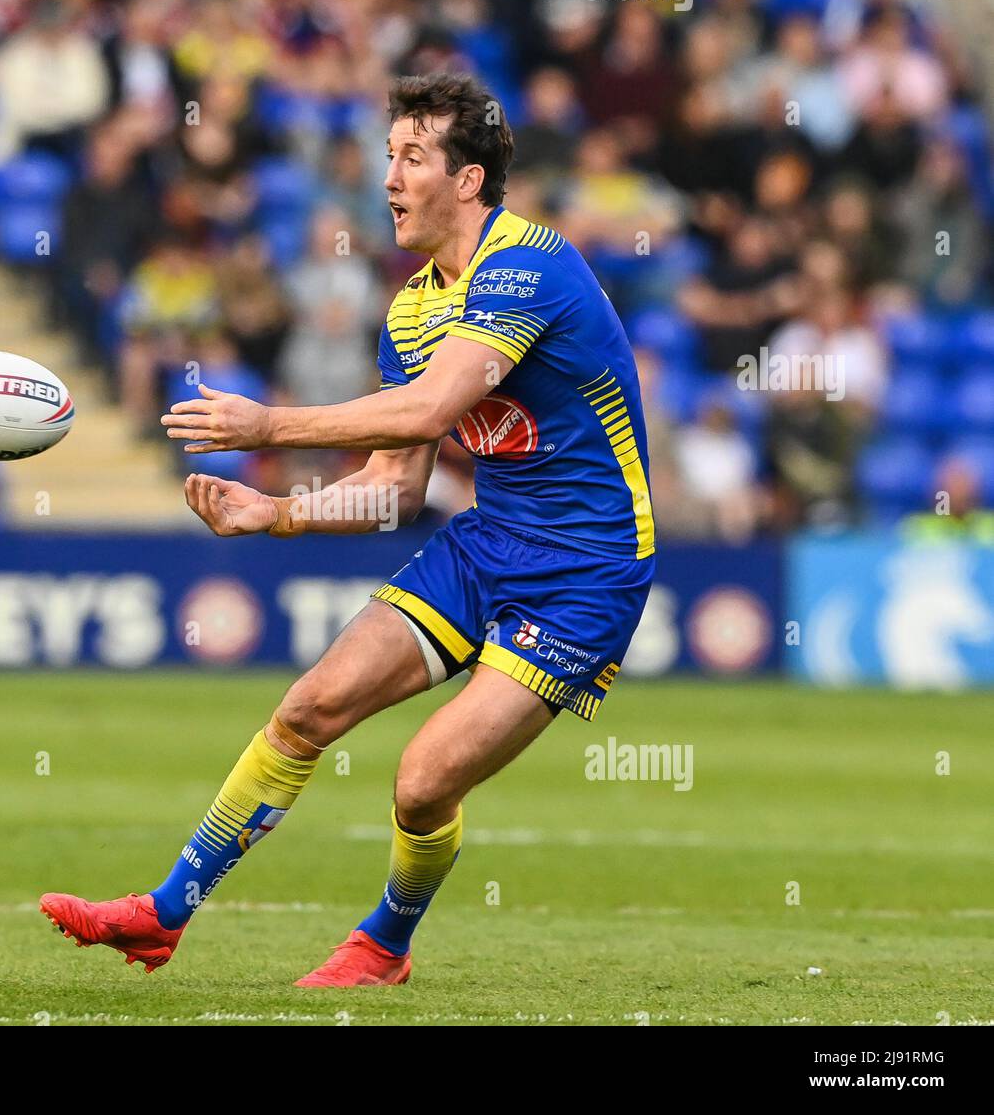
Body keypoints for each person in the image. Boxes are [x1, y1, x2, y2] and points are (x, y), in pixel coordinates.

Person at [40, 73, 656, 987]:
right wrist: (273, 512)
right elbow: (394, 489)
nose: (392, 179)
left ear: (471, 180)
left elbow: (427, 412)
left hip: (587, 572)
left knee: (420, 782)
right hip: (490, 541)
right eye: (388, 157)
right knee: (307, 708)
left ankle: (385, 944)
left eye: (413, 158)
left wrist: (268, 429)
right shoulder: (412, 308)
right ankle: (163, 913)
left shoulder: (533, 265)